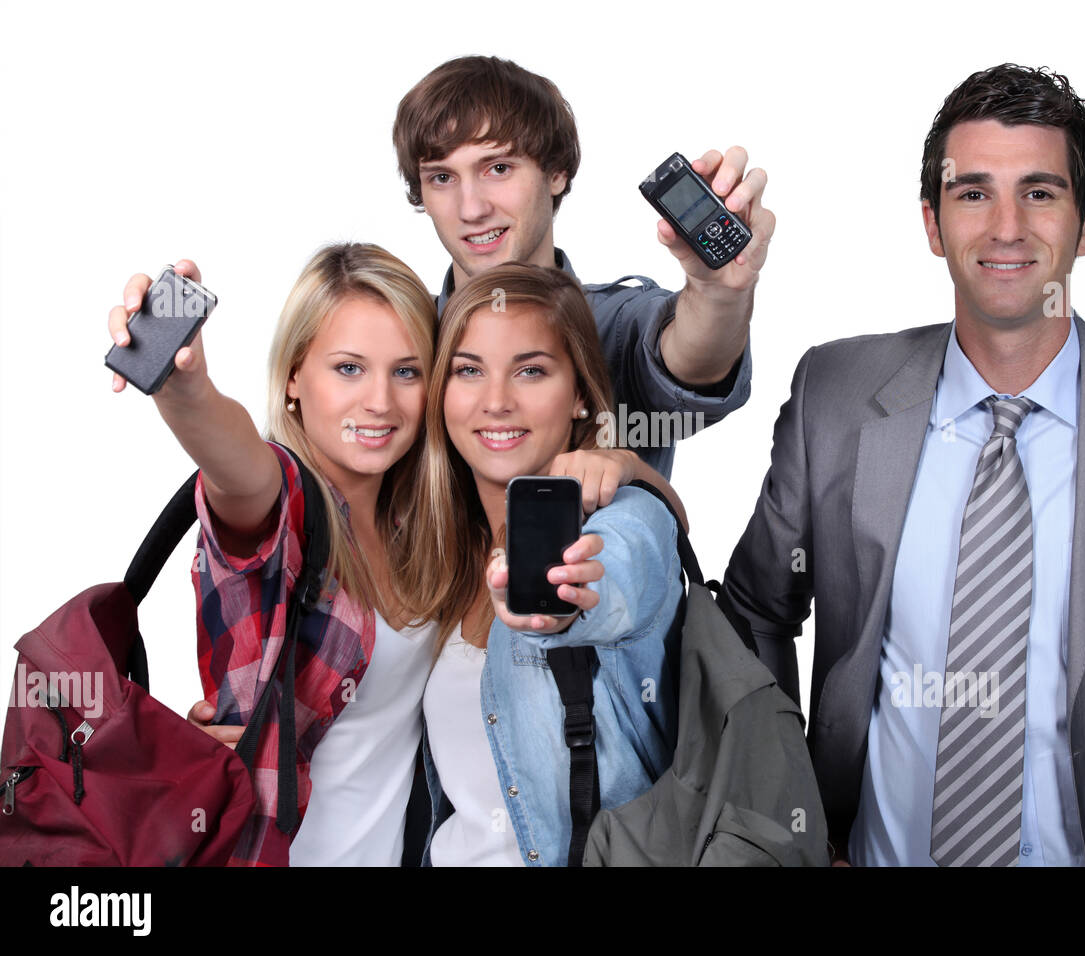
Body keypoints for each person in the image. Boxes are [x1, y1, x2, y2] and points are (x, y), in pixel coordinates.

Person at [720, 63, 1085, 866]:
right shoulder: (837, 393)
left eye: (1039, 192)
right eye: (972, 193)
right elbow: (753, 612)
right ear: (932, 223)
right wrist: (787, 821)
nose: (1005, 227)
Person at [107, 243, 442, 865]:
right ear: (293, 377)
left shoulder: (421, 526)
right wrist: (187, 392)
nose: (380, 402)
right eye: (348, 368)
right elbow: (238, 469)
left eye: (407, 370)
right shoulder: (283, 502)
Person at [392, 54, 774, 477]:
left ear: (556, 172)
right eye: (442, 178)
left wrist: (717, 294)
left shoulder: (615, 326)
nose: (471, 208)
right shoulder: (396, 339)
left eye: (498, 168)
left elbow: (693, 359)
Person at [419, 263, 683, 866]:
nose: (496, 401)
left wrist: (564, 604)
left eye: (531, 370)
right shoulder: (443, 554)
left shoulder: (625, 517)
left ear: (581, 396)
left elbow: (620, 572)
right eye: (468, 370)